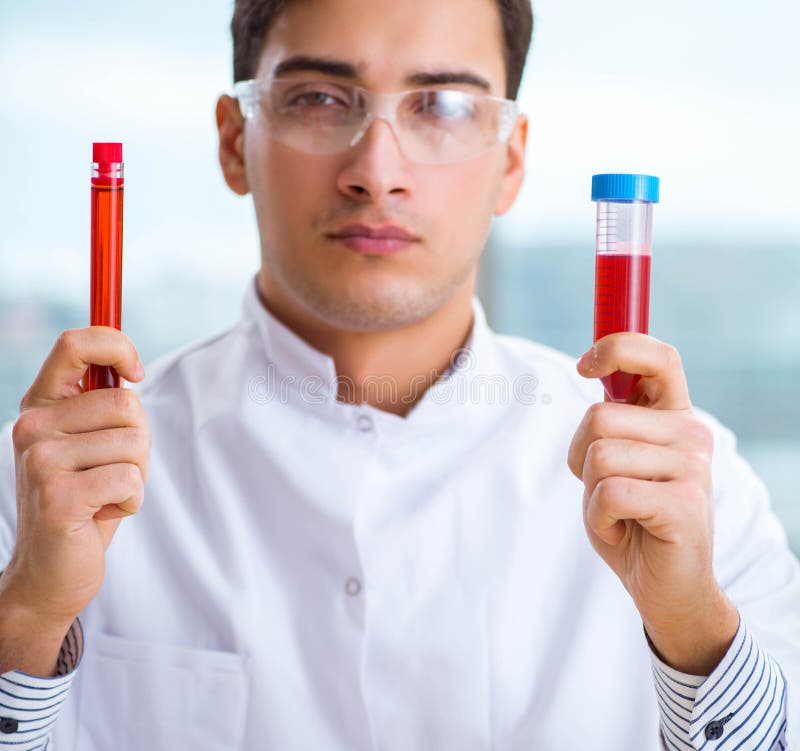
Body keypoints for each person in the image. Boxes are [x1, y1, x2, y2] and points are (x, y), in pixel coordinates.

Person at [0, 0, 797, 749]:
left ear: (511, 161)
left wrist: (692, 628)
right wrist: (29, 615)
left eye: (441, 104)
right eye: (319, 97)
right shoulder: (47, 484)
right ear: (234, 139)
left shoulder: (693, 486)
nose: (377, 171)